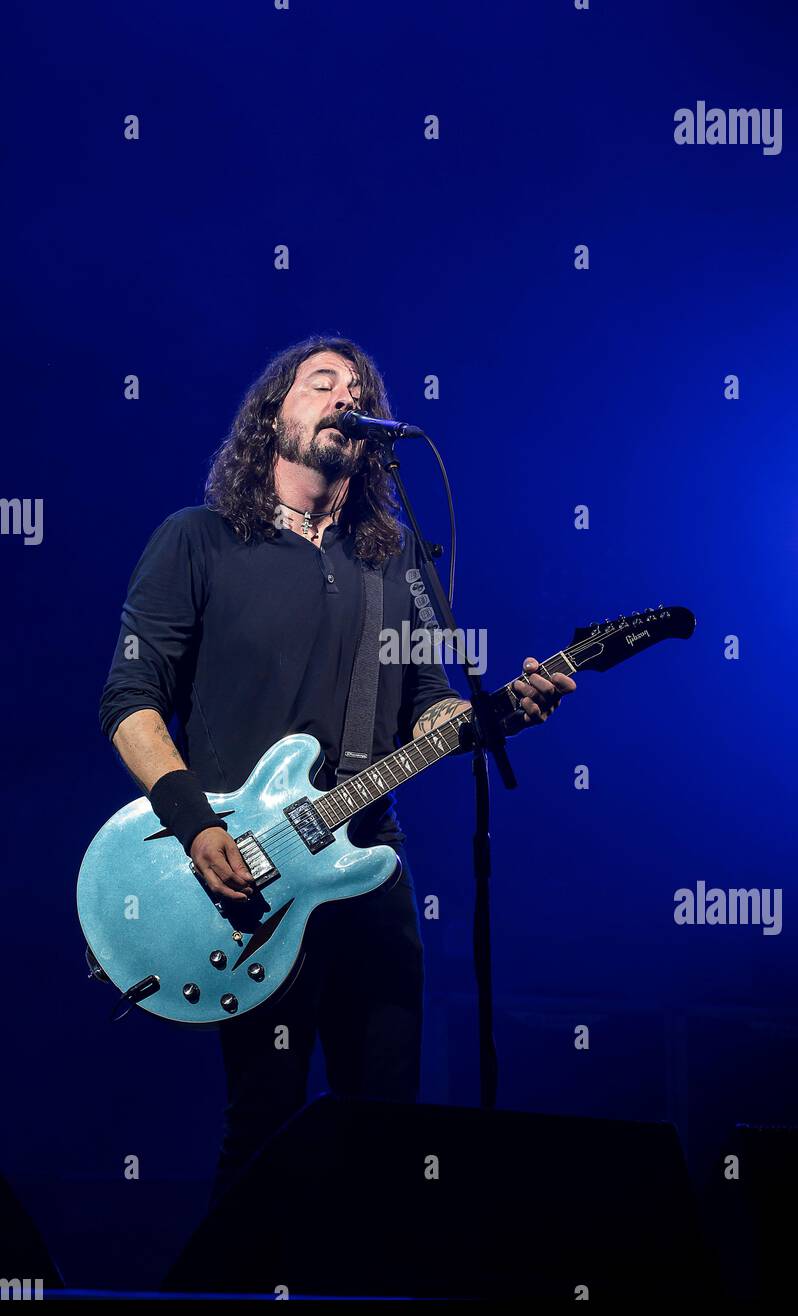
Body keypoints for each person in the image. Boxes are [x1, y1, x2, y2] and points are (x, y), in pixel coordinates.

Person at [98, 335, 575, 1208]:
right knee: (265, 1123)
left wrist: (497, 709)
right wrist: (199, 825)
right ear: (273, 413)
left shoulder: (397, 562)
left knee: (386, 1129)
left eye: (358, 389)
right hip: (243, 876)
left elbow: (432, 705)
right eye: (322, 383)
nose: (344, 396)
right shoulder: (198, 542)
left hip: (364, 871)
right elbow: (131, 702)